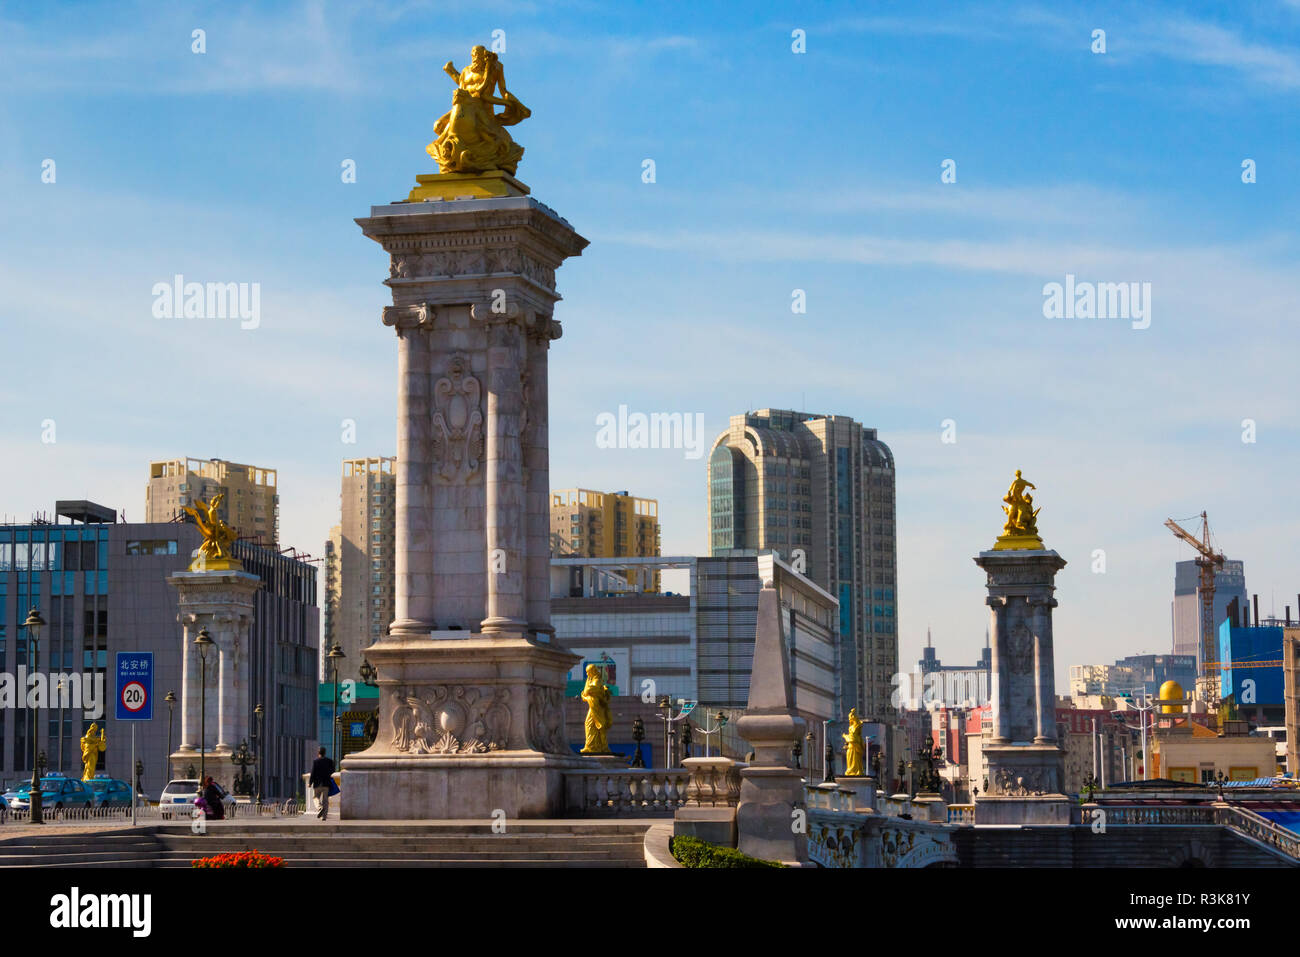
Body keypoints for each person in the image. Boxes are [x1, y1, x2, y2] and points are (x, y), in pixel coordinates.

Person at [309, 747, 335, 820]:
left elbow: (313, 773)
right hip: (326, 783)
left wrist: (310, 783)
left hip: (317, 783)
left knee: (315, 797)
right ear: (325, 753)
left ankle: (320, 808)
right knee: (325, 800)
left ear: (318, 753)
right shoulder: (329, 761)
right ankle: (324, 817)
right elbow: (333, 771)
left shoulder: (316, 761)